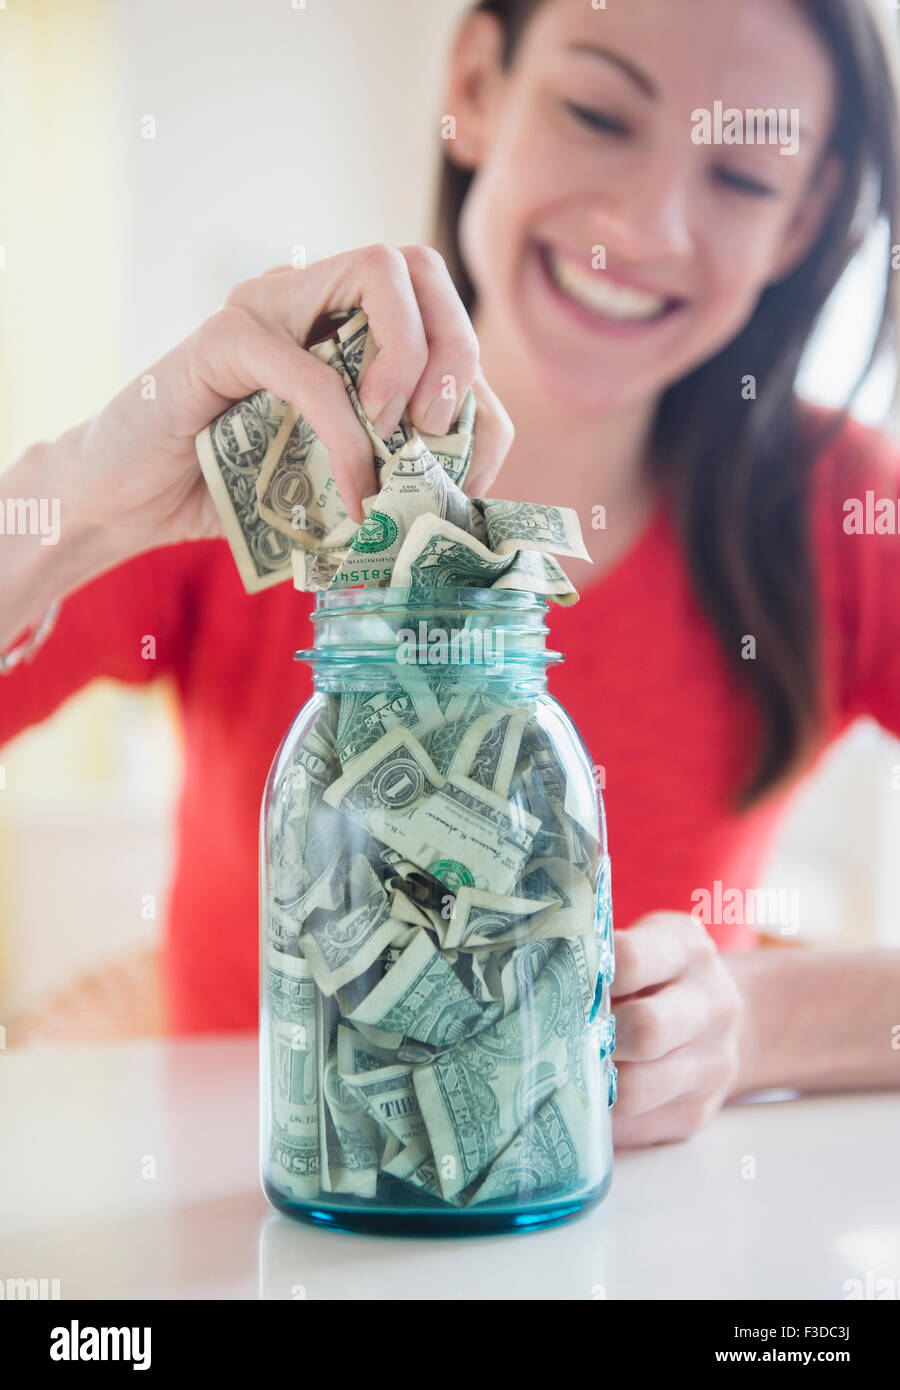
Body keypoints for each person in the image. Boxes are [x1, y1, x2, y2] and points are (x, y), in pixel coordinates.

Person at [2, 0, 899, 1148]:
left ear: (804, 217)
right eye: (595, 112)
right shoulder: (257, 457)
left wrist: (762, 1017)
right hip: (256, 1216)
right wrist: (80, 497)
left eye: (741, 176)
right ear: (475, 84)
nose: (646, 221)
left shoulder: (840, 513)